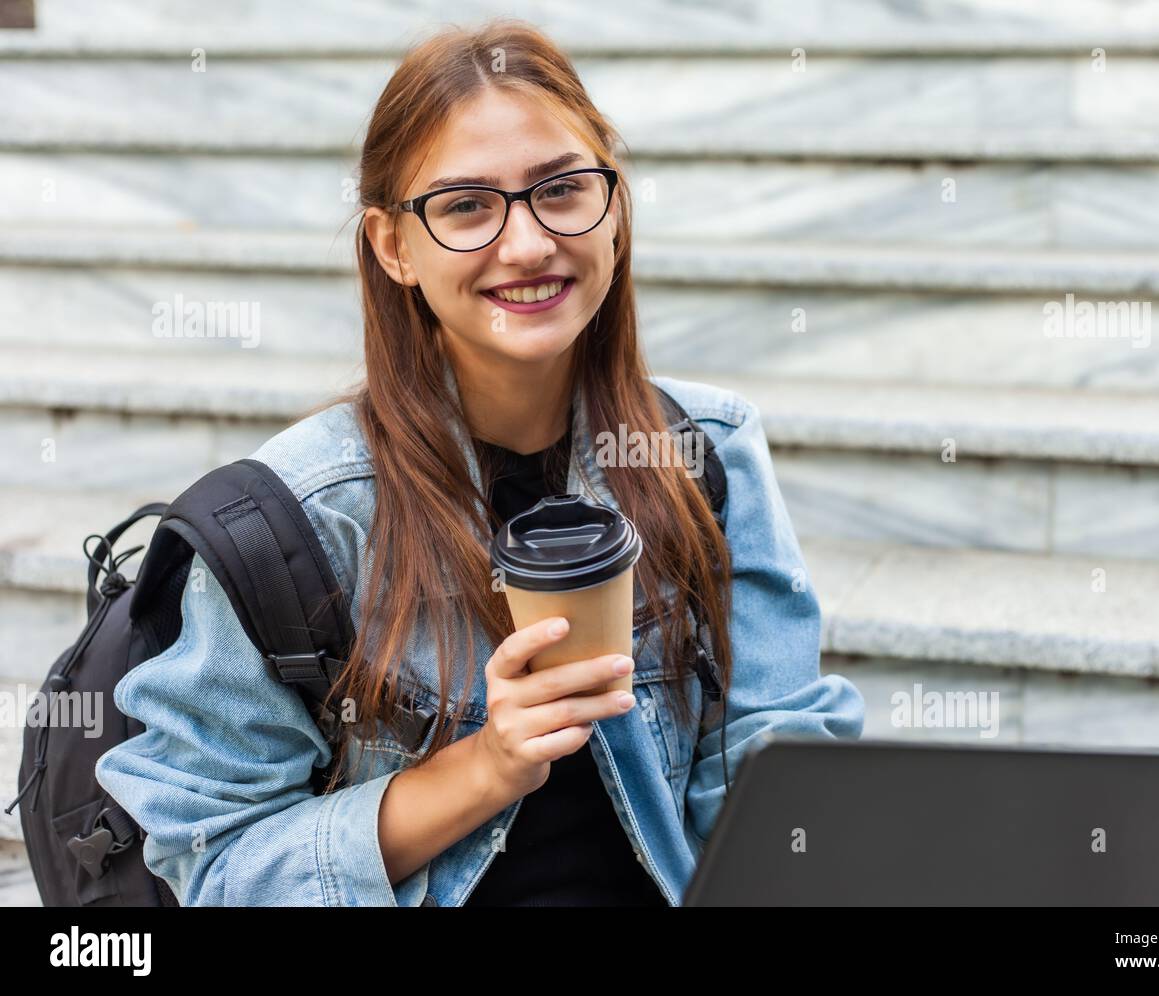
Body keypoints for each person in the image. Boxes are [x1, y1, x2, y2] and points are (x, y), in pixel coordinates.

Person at [94, 17, 866, 907]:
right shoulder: (296, 518)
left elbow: (773, 786)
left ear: (613, 208)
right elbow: (219, 868)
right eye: (466, 206)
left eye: (562, 190)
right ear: (393, 247)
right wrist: (489, 766)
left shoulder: (706, 455)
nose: (529, 243)